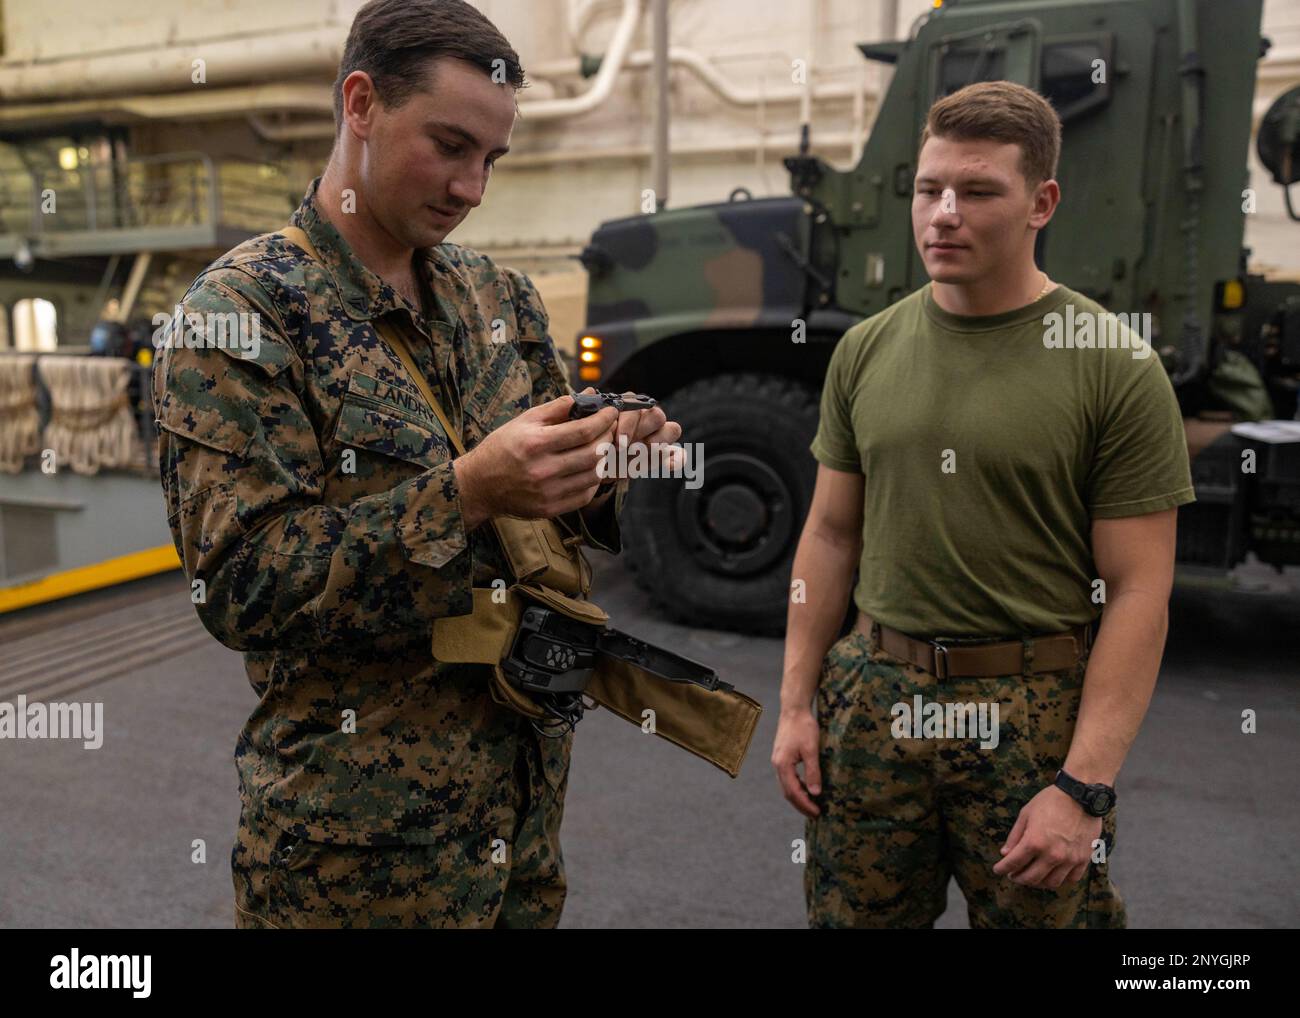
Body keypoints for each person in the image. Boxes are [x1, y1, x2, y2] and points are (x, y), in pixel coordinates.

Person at [152, 0, 679, 928]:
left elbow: (553, 515)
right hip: (358, 850)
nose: (472, 186)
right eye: (450, 145)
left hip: (520, 812)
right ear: (361, 104)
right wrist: (468, 493)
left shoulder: (498, 298)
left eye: (492, 159)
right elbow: (239, 586)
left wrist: (602, 470)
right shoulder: (241, 315)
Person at [771, 80, 1195, 928]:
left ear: (1042, 203)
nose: (944, 215)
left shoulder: (1113, 365)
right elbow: (830, 533)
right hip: (874, 700)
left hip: (1029, 720)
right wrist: (794, 705)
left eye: (977, 191)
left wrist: (1084, 785)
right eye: (928, 189)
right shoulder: (866, 349)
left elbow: (1139, 590)